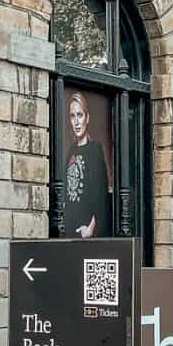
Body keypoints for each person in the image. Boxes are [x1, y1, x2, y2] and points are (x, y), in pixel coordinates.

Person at [63, 90, 111, 238]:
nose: (76, 122)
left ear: (87, 118)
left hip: (86, 231)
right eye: (73, 116)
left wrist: (90, 228)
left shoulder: (95, 149)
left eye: (80, 115)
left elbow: (101, 195)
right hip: (70, 228)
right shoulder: (71, 150)